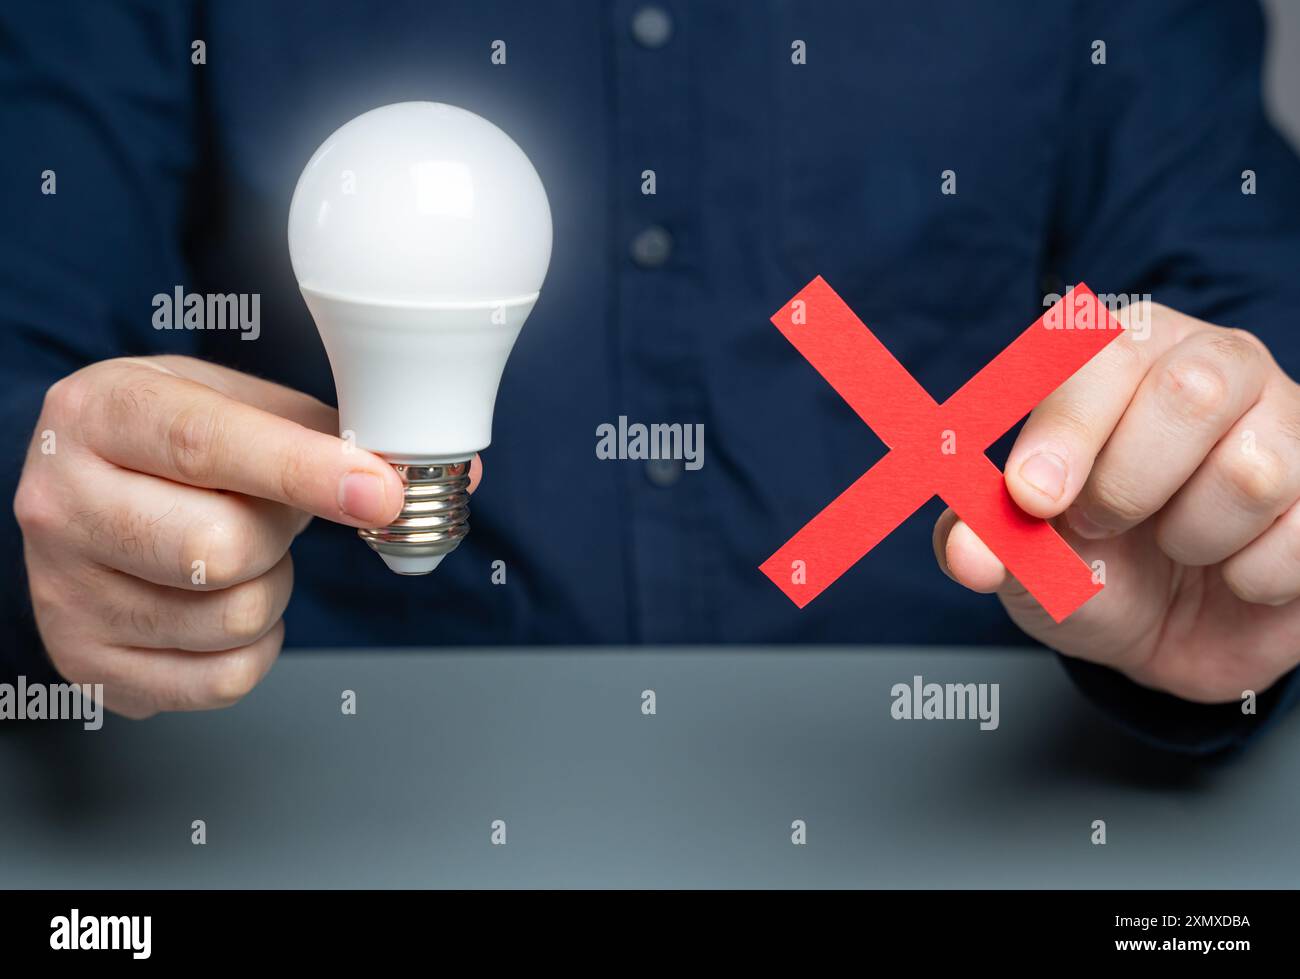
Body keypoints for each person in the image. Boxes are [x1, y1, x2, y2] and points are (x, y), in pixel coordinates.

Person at [3, 1, 1299, 751]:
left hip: (980, 783)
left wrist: (1237, 506)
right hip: (295, 781)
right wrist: (60, 527)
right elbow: (26, 335)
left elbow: (1233, 307)